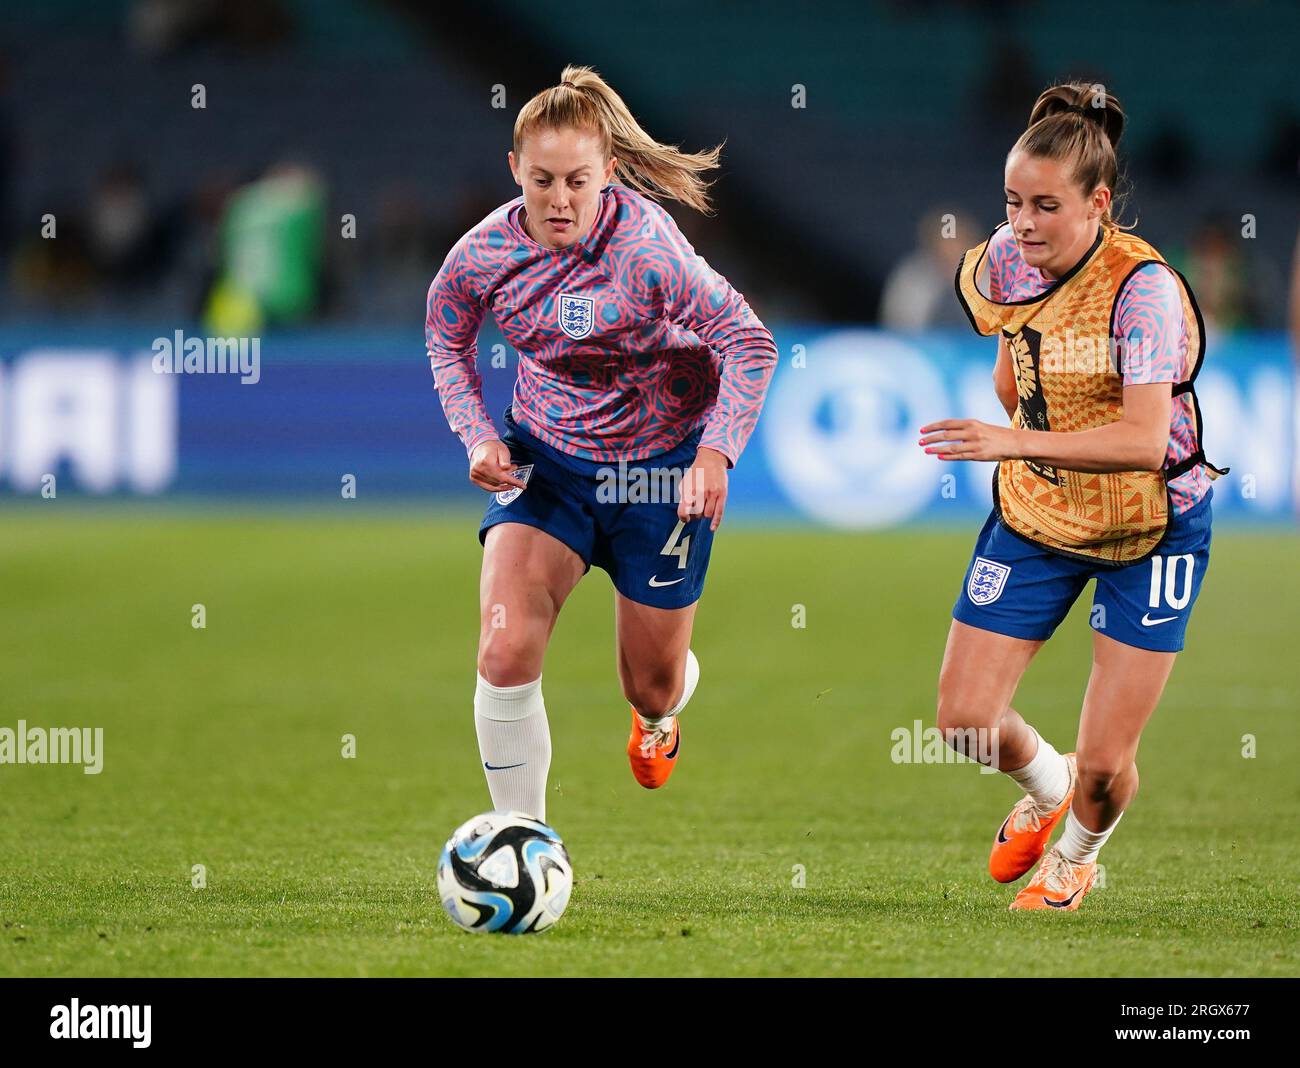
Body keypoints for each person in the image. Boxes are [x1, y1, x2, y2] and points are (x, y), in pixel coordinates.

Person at [425, 66, 777, 822]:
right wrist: (478, 435)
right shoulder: (481, 256)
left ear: (609, 174)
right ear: (513, 168)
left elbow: (748, 341)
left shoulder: (647, 251)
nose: (559, 200)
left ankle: (660, 713)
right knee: (505, 649)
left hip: (661, 473)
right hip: (546, 463)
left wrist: (715, 453)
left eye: (578, 181)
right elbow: (446, 337)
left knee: (649, 684)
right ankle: (523, 839)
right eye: (542, 179)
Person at [919, 83, 1228, 911]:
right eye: (1013, 201)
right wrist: (1019, 412)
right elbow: (1008, 348)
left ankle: (1078, 854)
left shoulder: (1145, 290)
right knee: (964, 719)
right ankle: (1045, 785)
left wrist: (1011, 439)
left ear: (1098, 203)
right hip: (1040, 512)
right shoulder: (1004, 260)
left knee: (1107, 764)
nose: (1022, 223)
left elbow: (1140, 440)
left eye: (1045, 206)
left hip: (1151, 526)